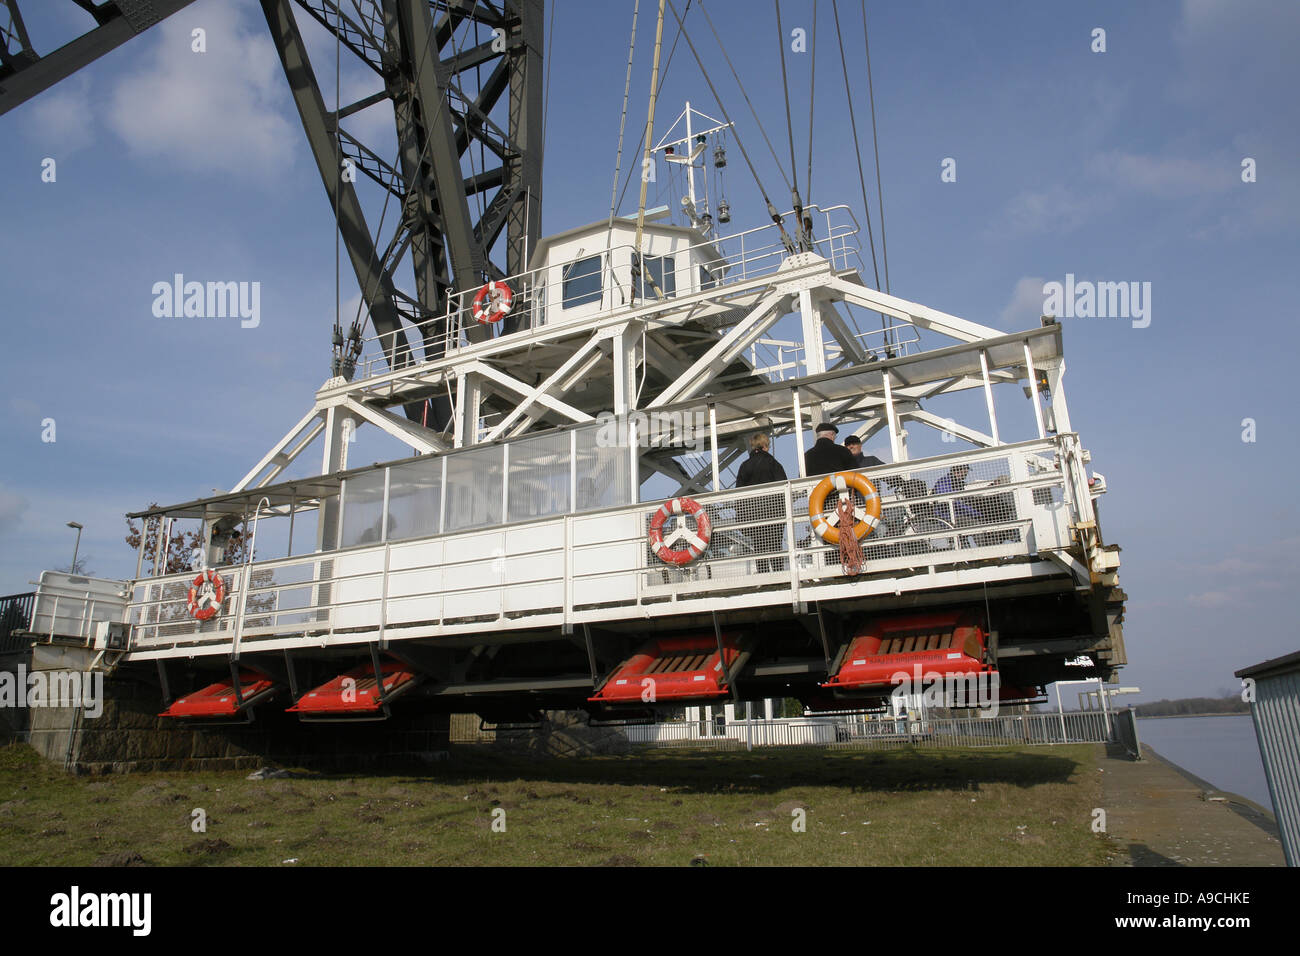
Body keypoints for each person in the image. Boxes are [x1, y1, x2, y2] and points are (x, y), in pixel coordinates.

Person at [735, 432, 787, 573]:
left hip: (753, 514)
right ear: (765, 446)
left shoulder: (744, 466)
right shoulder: (773, 464)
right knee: (775, 545)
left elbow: (738, 491)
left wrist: (740, 516)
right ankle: (778, 574)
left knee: (759, 546)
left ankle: (763, 574)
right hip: (773, 512)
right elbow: (783, 486)